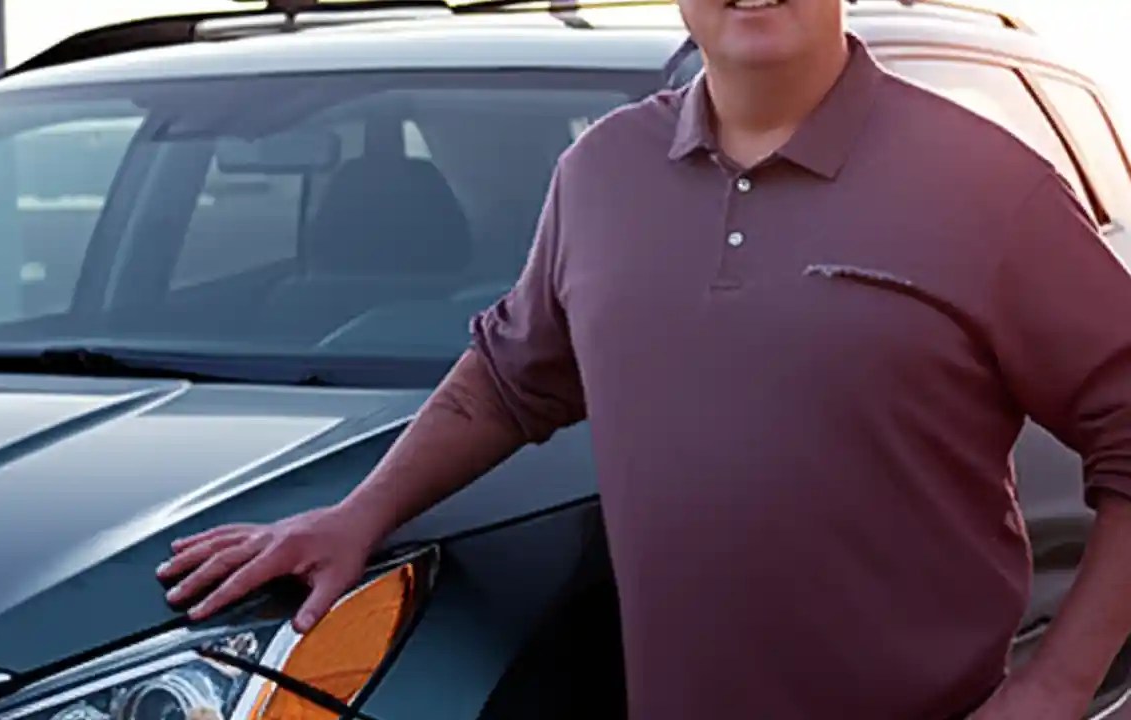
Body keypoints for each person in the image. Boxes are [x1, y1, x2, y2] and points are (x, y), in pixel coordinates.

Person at [155, 0, 1131, 717]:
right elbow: (507, 378)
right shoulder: (599, 174)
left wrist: (1055, 685)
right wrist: (357, 514)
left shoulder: (980, 180)